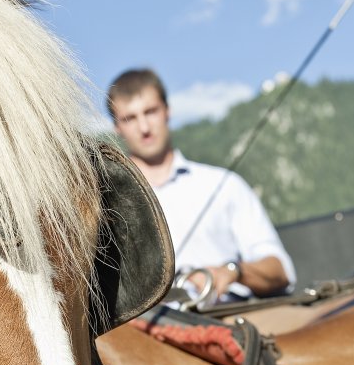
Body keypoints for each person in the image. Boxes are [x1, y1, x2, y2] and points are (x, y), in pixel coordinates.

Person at [107, 68, 296, 306]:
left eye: (151, 112)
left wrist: (233, 271)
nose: (144, 128)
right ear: (116, 127)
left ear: (167, 111)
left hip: (228, 320)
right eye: (130, 118)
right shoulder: (107, 204)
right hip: (143, 336)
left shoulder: (224, 185)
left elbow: (281, 272)